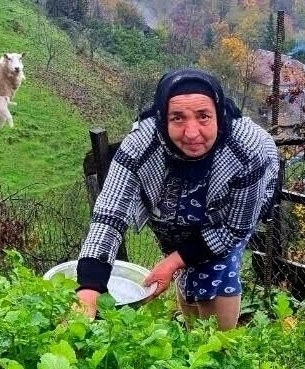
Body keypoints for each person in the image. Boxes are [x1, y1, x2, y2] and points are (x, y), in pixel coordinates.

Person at [75, 68, 279, 330]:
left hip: (226, 215)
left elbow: (233, 229)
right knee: (187, 273)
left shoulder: (246, 150)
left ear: (218, 114)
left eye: (204, 116)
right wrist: (90, 289)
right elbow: (109, 214)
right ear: (162, 119)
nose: (191, 132)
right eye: (178, 118)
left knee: (217, 271)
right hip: (172, 218)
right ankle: (193, 337)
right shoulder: (141, 145)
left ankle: (221, 349)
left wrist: (171, 262)